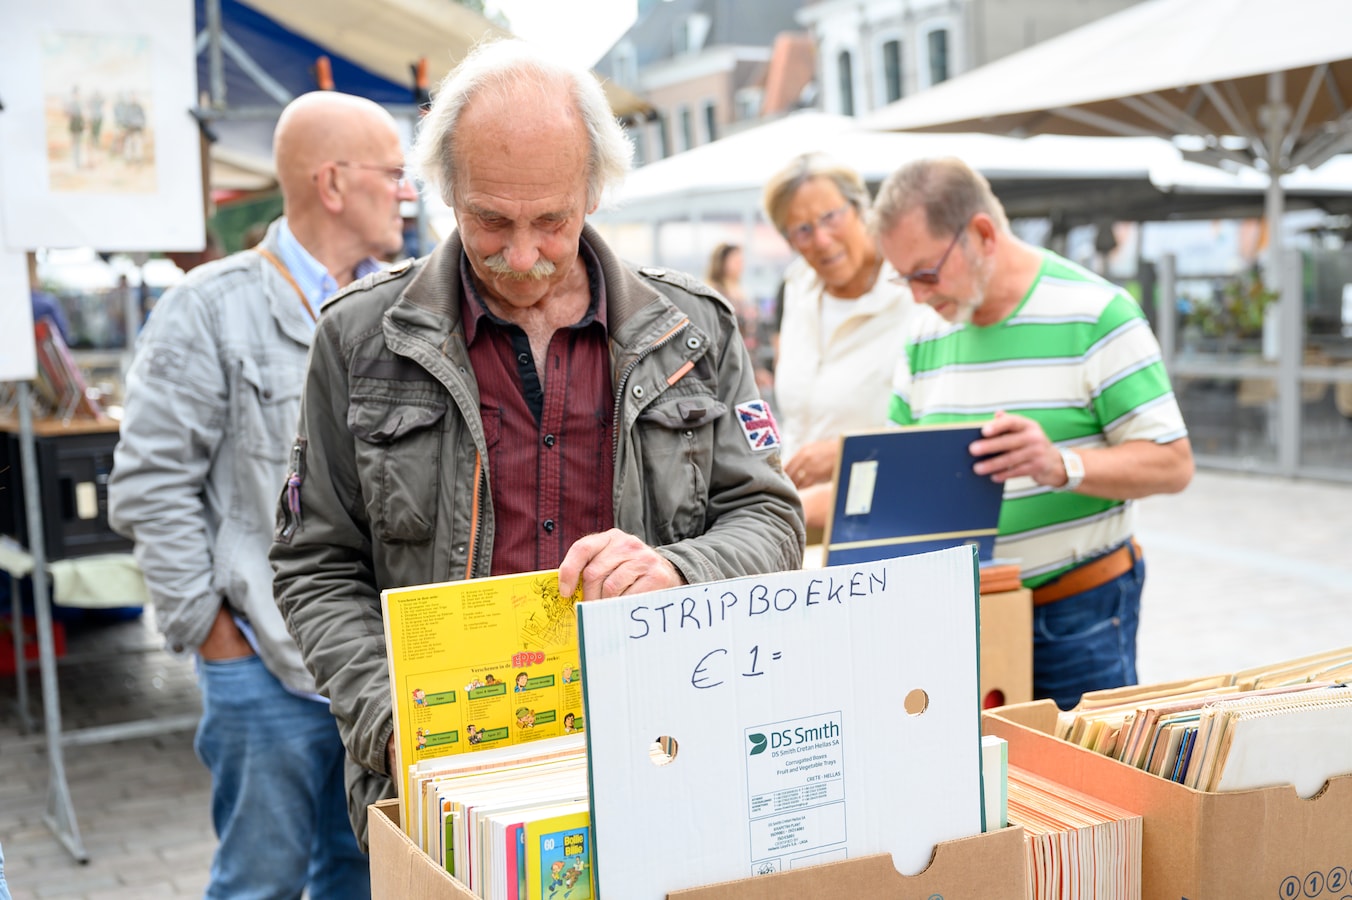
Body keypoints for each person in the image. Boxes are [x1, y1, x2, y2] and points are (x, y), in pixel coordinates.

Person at [269, 38, 805, 849]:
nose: (521, 258)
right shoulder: (358, 339)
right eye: (490, 220)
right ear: (446, 190)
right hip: (447, 778)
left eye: (551, 222)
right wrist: (388, 720)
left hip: (664, 754)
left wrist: (678, 569)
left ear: (594, 190)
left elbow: (770, 519)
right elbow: (316, 564)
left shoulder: (694, 331)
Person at [108, 90, 416, 898]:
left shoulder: (410, 308)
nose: (408, 191)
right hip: (266, 670)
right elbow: (149, 484)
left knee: (368, 882)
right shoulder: (206, 307)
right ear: (333, 183)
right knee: (259, 886)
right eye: (392, 172)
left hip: (383, 677)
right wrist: (214, 638)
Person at [871, 157, 1194, 710]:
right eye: (905, 279)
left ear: (982, 234)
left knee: (1084, 769)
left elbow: (1173, 463)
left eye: (926, 273)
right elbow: (902, 472)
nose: (918, 296)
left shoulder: (1097, 313)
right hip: (958, 621)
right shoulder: (925, 333)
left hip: (1075, 614)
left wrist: (1059, 465)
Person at [762, 153, 924, 534]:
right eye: (802, 230)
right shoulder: (797, 287)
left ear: (861, 209)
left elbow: (936, 428)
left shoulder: (914, 293)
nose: (821, 239)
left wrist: (845, 453)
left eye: (830, 217)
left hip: (884, 518)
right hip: (801, 523)